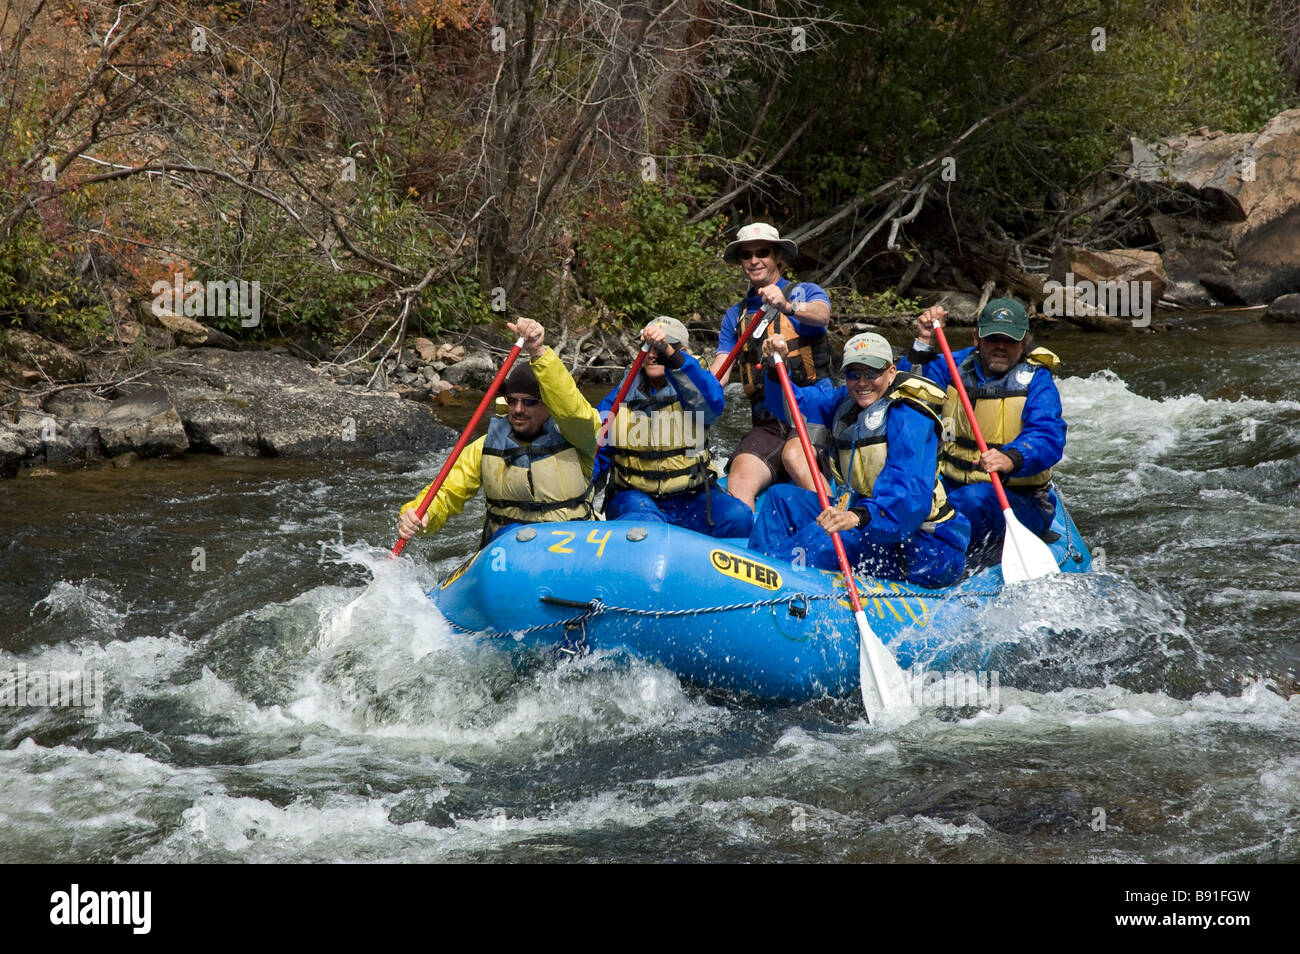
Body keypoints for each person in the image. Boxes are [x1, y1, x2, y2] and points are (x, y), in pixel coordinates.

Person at [747, 332, 970, 588]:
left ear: (891, 372)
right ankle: (758, 574)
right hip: (870, 520)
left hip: (921, 547)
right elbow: (793, 403)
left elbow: (909, 497)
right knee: (781, 499)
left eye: (872, 373)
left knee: (824, 536)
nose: (862, 382)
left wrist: (857, 517)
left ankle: (779, 589)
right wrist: (778, 369)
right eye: (853, 374)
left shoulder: (910, 417)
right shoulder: (846, 402)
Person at [397, 318, 602, 548]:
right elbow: (446, 491)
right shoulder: (484, 447)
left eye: (530, 402)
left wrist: (538, 352)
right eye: (512, 401)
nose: (518, 410)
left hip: (574, 551)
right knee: (512, 533)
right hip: (509, 555)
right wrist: (420, 513)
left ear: (549, 405)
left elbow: (573, 410)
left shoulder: (579, 436)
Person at [897, 297, 1066, 549]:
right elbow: (909, 392)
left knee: (973, 499)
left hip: (1018, 499)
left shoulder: (1037, 380)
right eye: (992, 339)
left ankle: (939, 552)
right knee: (909, 493)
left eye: (1010, 341)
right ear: (977, 339)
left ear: (1024, 342)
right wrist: (923, 341)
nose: (1000, 347)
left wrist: (1011, 458)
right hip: (951, 485)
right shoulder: (953, 365)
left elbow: (1048, 436)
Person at [708, 222, 833, 509]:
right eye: (746, 255)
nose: (754, 260)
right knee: (739, 476)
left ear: (777, 256)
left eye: (762, 252)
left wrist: (789, 306)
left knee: (794, 455)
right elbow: (720, 371)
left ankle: (836, 523)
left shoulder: (803, 292)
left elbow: (822, 315)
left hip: (811, 412)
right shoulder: (735, 315)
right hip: (768, 420)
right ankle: (743, 549)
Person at [596, 317, 753, 537]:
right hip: (635, 498)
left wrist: (671, 356)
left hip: (692, 498)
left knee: (738, 518)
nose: (653, 354)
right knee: (647, 526)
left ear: (681, 351)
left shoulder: (699, 392)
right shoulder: (620, 398)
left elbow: (713, 404)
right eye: (648, 347)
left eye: (661, 348)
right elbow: (596, 451)